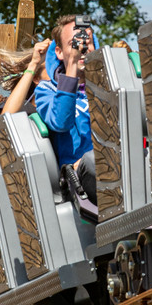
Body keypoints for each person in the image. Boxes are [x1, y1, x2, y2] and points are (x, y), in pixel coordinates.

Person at [33, 15, 96, 199]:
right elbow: (61, 122)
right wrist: (72, 70)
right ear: (59, 52)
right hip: (78, 177)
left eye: (88, 42)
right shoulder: (47, 90)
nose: (82, 48)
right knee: (94, 161)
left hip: (117, 162)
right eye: (73, 44)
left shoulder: (106, 84)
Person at [0, 39, 53, 116]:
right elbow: (6, 119)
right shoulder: (24, 109)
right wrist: (34, 64)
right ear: (36, 78)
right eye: (52, 68)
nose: (59, 74)